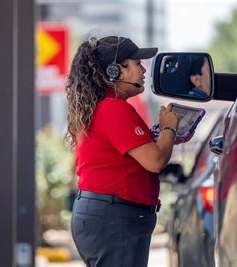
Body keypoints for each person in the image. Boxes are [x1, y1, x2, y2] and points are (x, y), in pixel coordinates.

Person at [66, 35, 187, 267]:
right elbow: (155, 160)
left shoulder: (106, 107)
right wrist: (169, 127)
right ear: (115, 71)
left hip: (108, 213)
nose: (143, 70)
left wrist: (166, 137)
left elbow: (141, 154)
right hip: (113, 216)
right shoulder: (113, 109)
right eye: (137, 63)